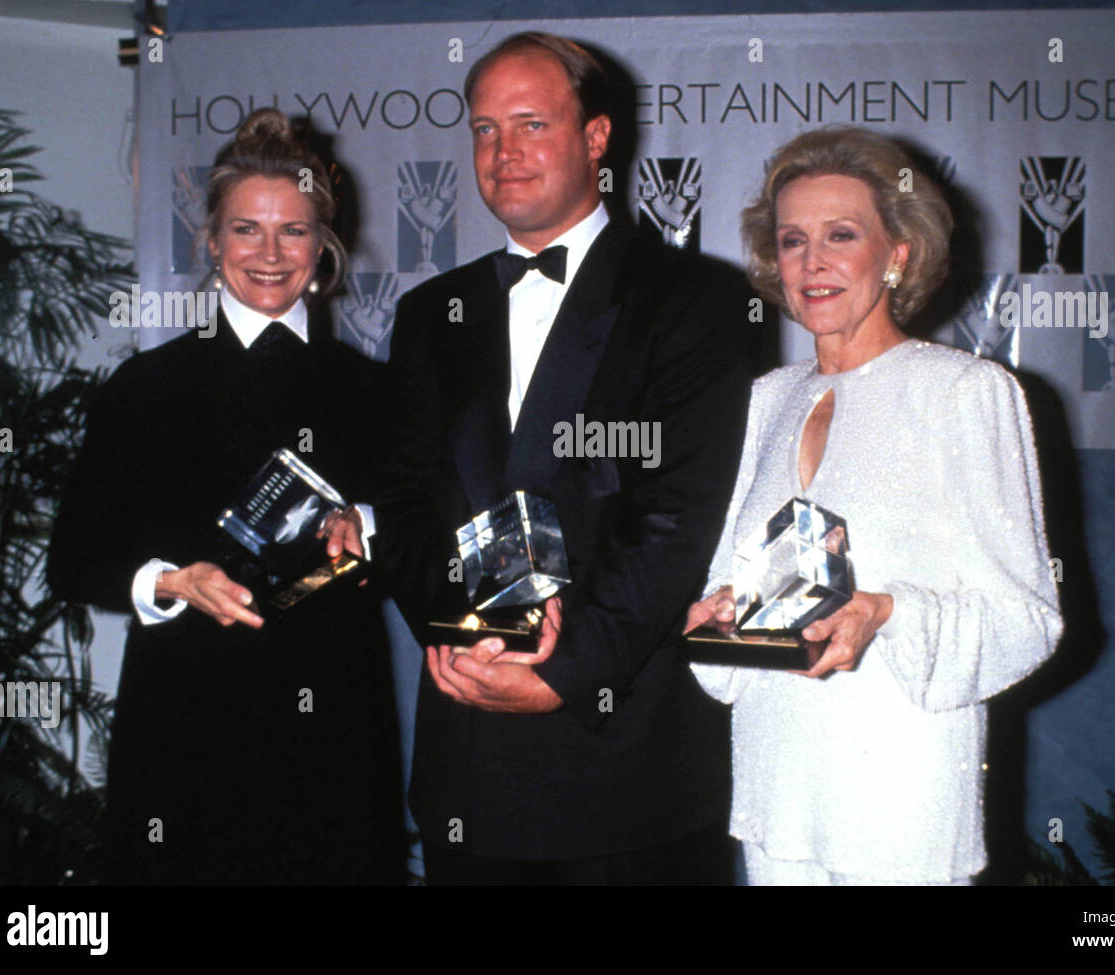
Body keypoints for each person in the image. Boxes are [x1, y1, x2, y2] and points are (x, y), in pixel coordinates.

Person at [389, 31, 753, 884]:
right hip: (467, 761)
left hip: (627, 762)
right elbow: (402, 501)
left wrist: (567, 671)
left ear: (596, 137)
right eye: (483, 129)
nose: (502, 154)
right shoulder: (428, 313)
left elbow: (678, 514)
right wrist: (466, 641)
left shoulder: (697, 299)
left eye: (529, 125)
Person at [48, 108, 434, 884]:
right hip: (184, 734)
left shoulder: (374, 393)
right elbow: (74, 560)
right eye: (245, 229)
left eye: (293, 231)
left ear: (324, 247)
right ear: (212, 239)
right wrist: (168, 581)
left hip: (332, 740)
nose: (269, 253)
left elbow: (418, 527)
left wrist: (365, 523)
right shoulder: (145, 389)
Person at [686, 126, 1063, 885]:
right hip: (777, 798)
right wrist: (717, 615)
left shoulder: (965, 393)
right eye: (792, 240)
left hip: (900, 810)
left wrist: (885, 612)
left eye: (842, 235)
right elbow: (739, 590)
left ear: (898, 253)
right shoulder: (768, 401)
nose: (813, 262)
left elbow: (1029, 619)